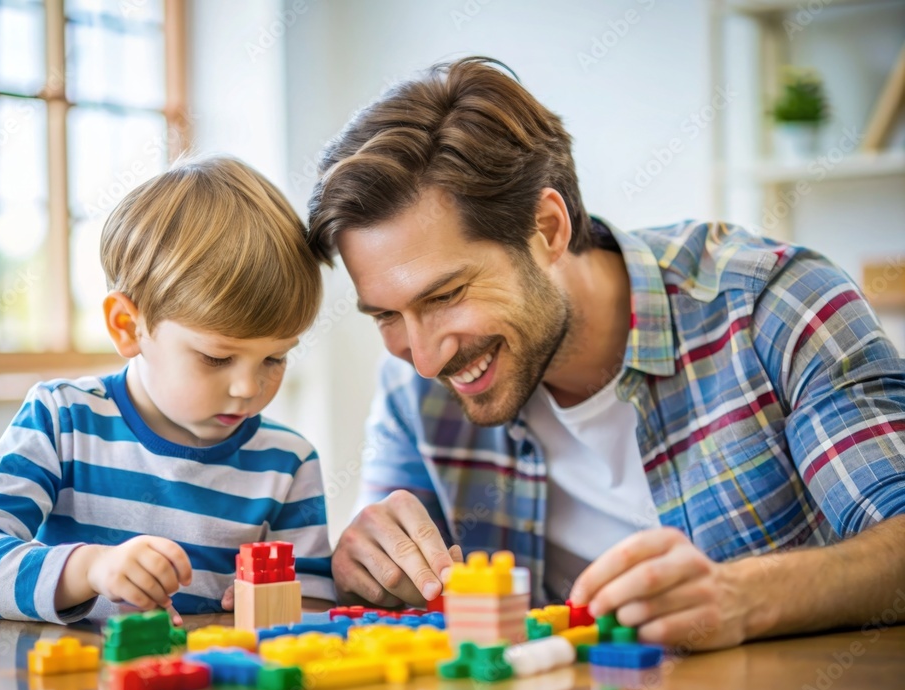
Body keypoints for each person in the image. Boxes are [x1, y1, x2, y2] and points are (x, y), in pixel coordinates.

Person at [307, 57, 905, 650]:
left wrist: (742, 599)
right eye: (386, 315)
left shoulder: (773, 306)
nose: (425, 359)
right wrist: (369, 564)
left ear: (547, 229)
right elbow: (398, 591)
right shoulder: (414, 389)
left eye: (446, 296)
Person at [0, 156, 335, 624]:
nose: (248, 388)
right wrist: (89, 568)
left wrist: (271, 610)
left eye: (274, 358)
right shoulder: (62, 420)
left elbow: (314, 610)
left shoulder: (288, 464)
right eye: (216, 358)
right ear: (128, 326)